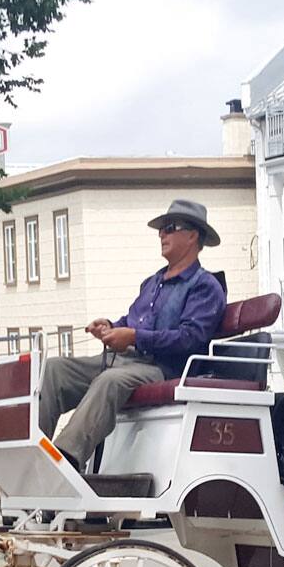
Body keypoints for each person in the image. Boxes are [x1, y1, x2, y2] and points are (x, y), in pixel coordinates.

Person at [37, 198, 229, 469]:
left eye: (170, 227)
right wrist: (110, 327)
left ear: (193, 235)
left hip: (164, 368)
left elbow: (190, 338)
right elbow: (132, 320)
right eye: (161, 229)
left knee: (110, 381)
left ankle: (65, 461)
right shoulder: (153, 283)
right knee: (54, 370)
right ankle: (35, 455)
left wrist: (134, 337)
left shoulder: (205, 286)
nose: (162, 234)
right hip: (128, 360)